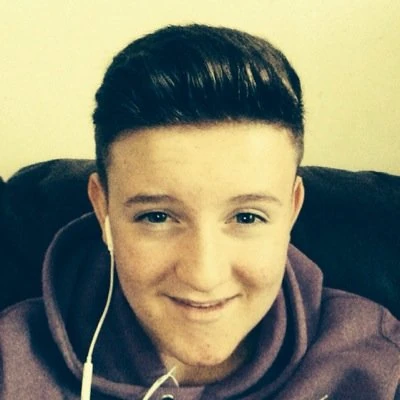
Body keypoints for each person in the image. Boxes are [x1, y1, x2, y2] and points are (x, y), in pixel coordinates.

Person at [0, 24, 399, 400]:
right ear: (102, 209)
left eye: (247, 217)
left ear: (292, 210)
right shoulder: (12, 364)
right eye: (157, 217)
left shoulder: (381, 365)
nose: (203, 275)